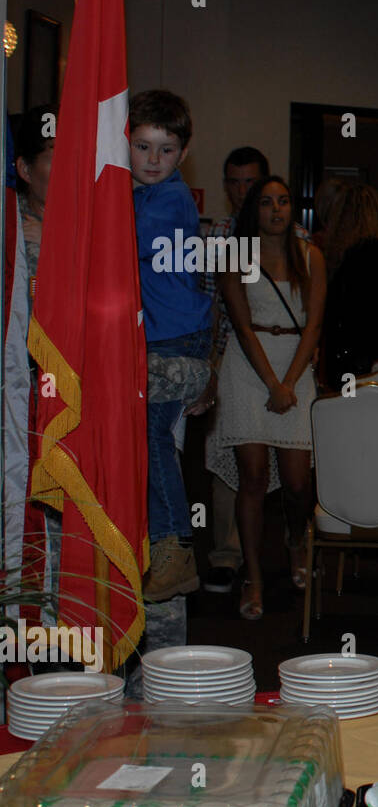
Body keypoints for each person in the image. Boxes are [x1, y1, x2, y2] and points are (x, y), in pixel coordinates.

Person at [215, 176, 325, 620]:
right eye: (266, 203)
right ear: (252, 210)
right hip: (248, 368)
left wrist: (289, 382)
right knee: (254, 477)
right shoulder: (234, 257)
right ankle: (253, 576)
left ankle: (295, 540)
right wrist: (271, 384)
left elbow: (315, 325)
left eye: (283, 201)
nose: (276, 210)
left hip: (296, 366)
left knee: (298, 482)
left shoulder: (311, 256)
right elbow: (240, 327)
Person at [129, 90, 213, 603]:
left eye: (165, 148)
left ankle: (175, 549)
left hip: (173, 335)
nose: (154, 160)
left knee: (152, 434)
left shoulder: (169, 200)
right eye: (142, 147)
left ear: (183, 152)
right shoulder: (146, 194)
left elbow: (121, 240)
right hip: (163, 331)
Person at [195, 146, 271, 596]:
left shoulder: (290, 234)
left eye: (250, 183)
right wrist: (207, 365)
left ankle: (288, 547)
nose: (242, 191)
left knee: (283, 462)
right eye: (234, 182)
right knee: (227, 457)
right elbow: (208, 306)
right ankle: (226, 553)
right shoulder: (219, 235)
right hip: (229, 359)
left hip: (280, 360)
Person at [320, 184, 378, 390]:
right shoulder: (375, 251)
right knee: (371, 414)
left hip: (342, 353)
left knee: (346, 408)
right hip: (372, 356)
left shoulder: (334, 254)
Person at [14, 104, 55, 281]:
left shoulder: (98, 224)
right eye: (58, 159)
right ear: (25, 170)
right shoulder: (9, 225)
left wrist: (52, 241)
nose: (70, 170)